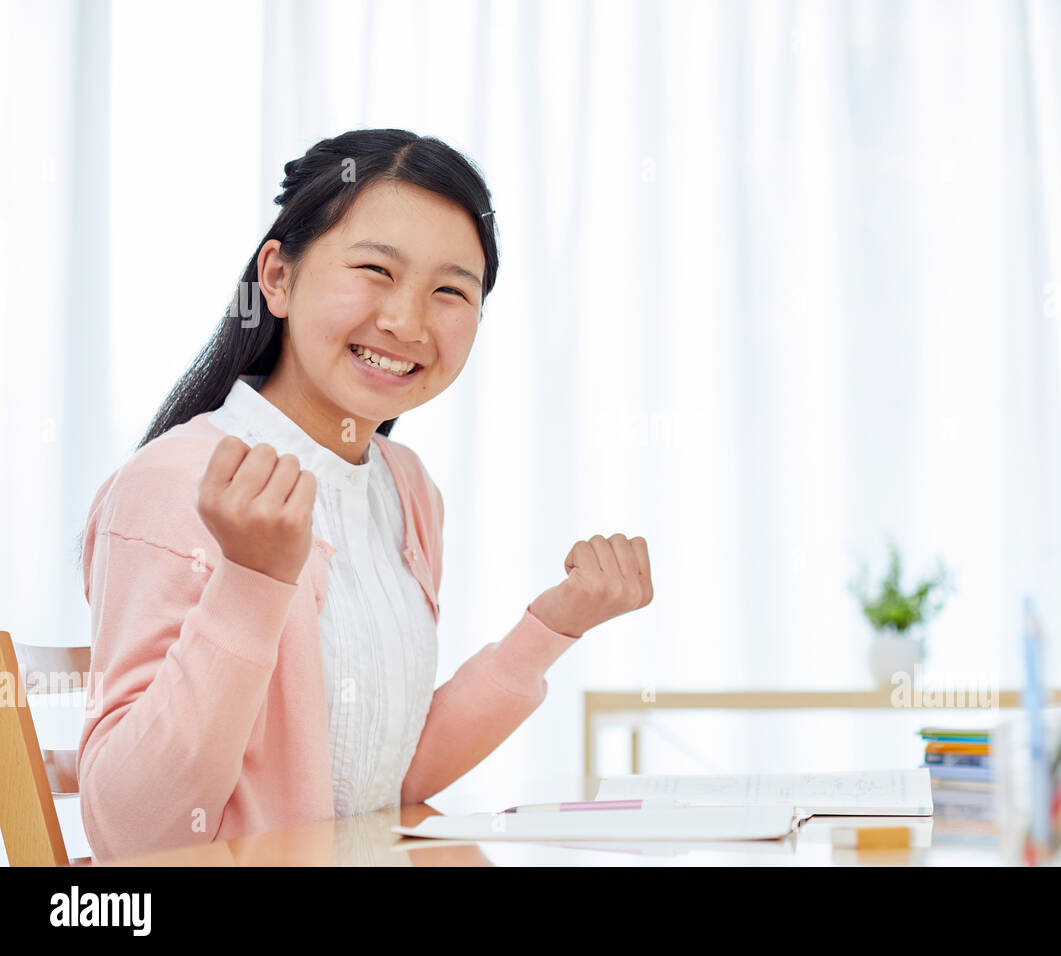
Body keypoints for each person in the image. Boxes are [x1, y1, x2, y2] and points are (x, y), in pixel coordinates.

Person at [76, 129, 652, 861]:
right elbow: (131, 837)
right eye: (375, 269)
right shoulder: (175, 484)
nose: (407, 323)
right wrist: (251, 579)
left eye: (450, 291)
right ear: (277, 278)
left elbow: (389, 778)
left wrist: (554, 625)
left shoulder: (405, 488)